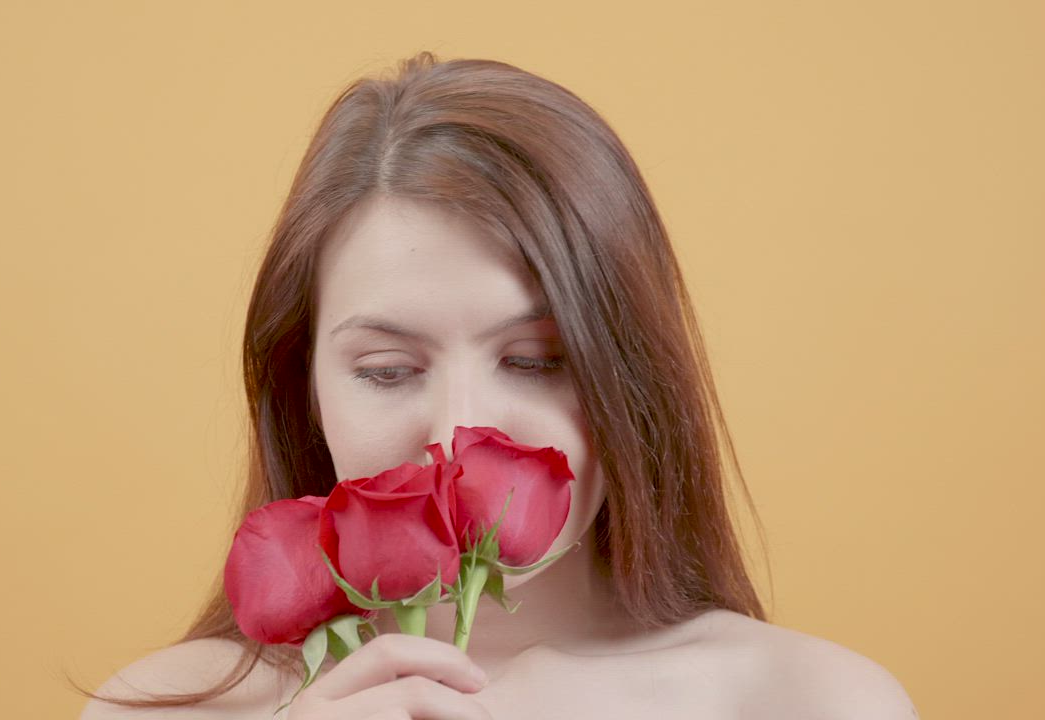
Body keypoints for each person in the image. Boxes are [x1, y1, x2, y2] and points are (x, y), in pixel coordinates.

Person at [75, 51, 917, 719]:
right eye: (388, 371)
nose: (456, 433)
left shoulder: (810, 704)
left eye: (537, 360)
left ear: (634, 376)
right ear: (306, 393)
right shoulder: (158, 710)